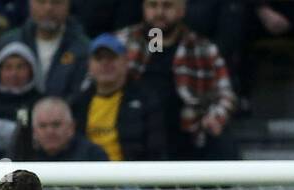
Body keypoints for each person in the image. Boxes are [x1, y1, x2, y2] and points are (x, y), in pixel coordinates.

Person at [118, 0, 237, 160]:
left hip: (188, 138)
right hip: (135, 137)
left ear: (182, 10)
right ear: (143, 9)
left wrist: (215, 117)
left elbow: (226, 94)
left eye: (167, 6)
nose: (159, 13)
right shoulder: (123, 42)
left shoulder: (203, 48)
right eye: (153, 6)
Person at [69, 33, 167, 161]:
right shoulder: (77, 103)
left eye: (112, 57)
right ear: (89, 65)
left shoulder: (147, 100)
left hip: (131, 175)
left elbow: (156, 149)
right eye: (99, 58)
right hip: (87, 175)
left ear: (126, 61)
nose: (105, 63)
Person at [0, 0, 89, 98]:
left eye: (56, 2)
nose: (48, 8)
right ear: (30, 4)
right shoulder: (10, 43)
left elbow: (79, 96)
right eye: (41, 2)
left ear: (68, 6)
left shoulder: (83, 48)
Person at [17, 95, 109, 161]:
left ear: (71, 127)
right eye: (43, 126)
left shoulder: (93, 156)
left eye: (56, 124)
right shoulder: (22, 156)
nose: (50, 131)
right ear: (34, 131)